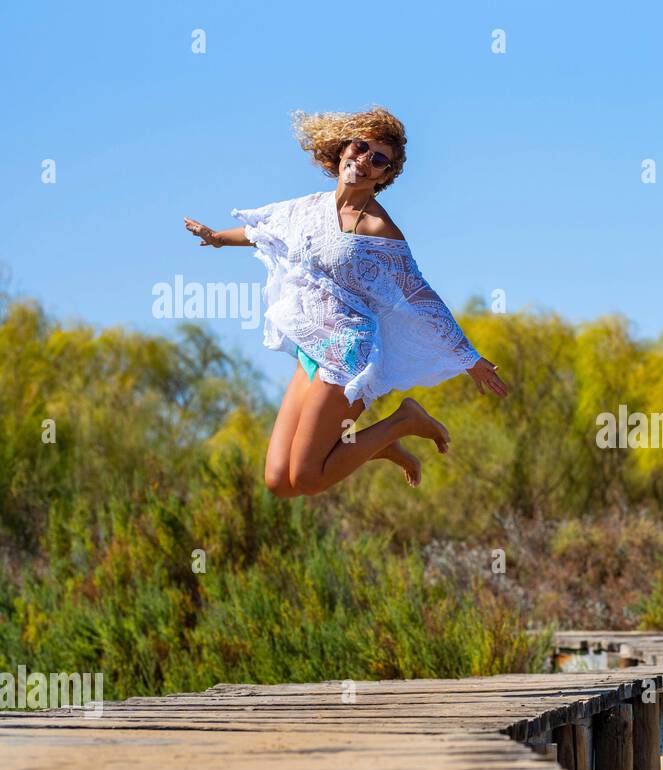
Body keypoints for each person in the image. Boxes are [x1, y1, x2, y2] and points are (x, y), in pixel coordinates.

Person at [183, 106, 507, 496]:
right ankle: (380, 445)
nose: (364, 161)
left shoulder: (377, 228)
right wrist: (218, 238)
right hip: (311, 347)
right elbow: (264, 232)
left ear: (386, 175)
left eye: (379, 159)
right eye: (359, 147)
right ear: (341, 150)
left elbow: (419, 294)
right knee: (278, 481)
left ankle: (403, 421)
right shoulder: (307, 209)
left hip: (346, 356)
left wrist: (468, 358)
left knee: (305, 477)